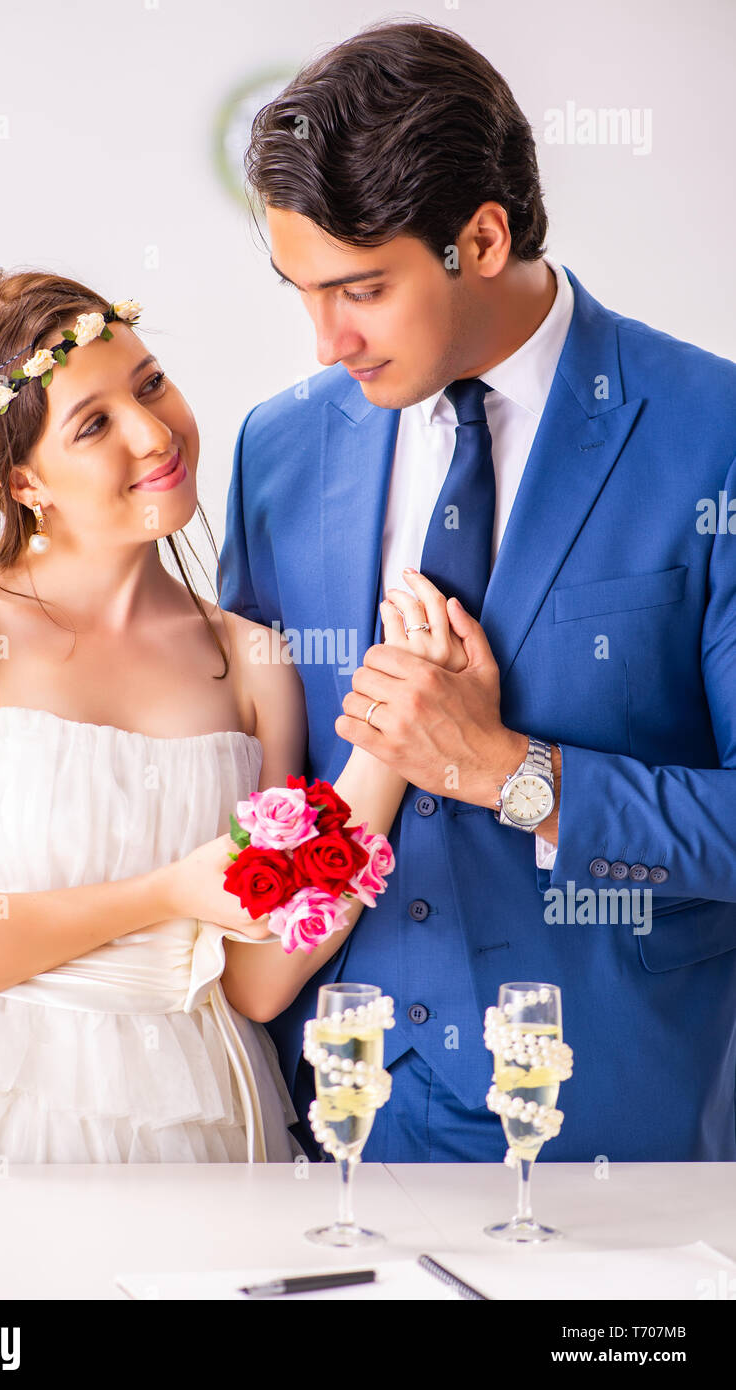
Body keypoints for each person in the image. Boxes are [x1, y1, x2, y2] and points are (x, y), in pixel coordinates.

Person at [219, 19, 736, 1162]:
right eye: (300, 289)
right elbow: (261, 792)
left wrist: (510, 774)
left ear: (483, 236)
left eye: (360, 289)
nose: (324, 342)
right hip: (338, 1126)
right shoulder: (279, 447)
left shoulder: (715, 435)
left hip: (616, 1137)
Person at [0, 267, 465, 1163]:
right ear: (24, 480)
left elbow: (261, 982)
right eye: (95, 424)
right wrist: (161, 895)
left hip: (203, 1115)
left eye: (150, 384)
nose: (155, 434)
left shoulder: (252, 661)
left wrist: (394, 732)